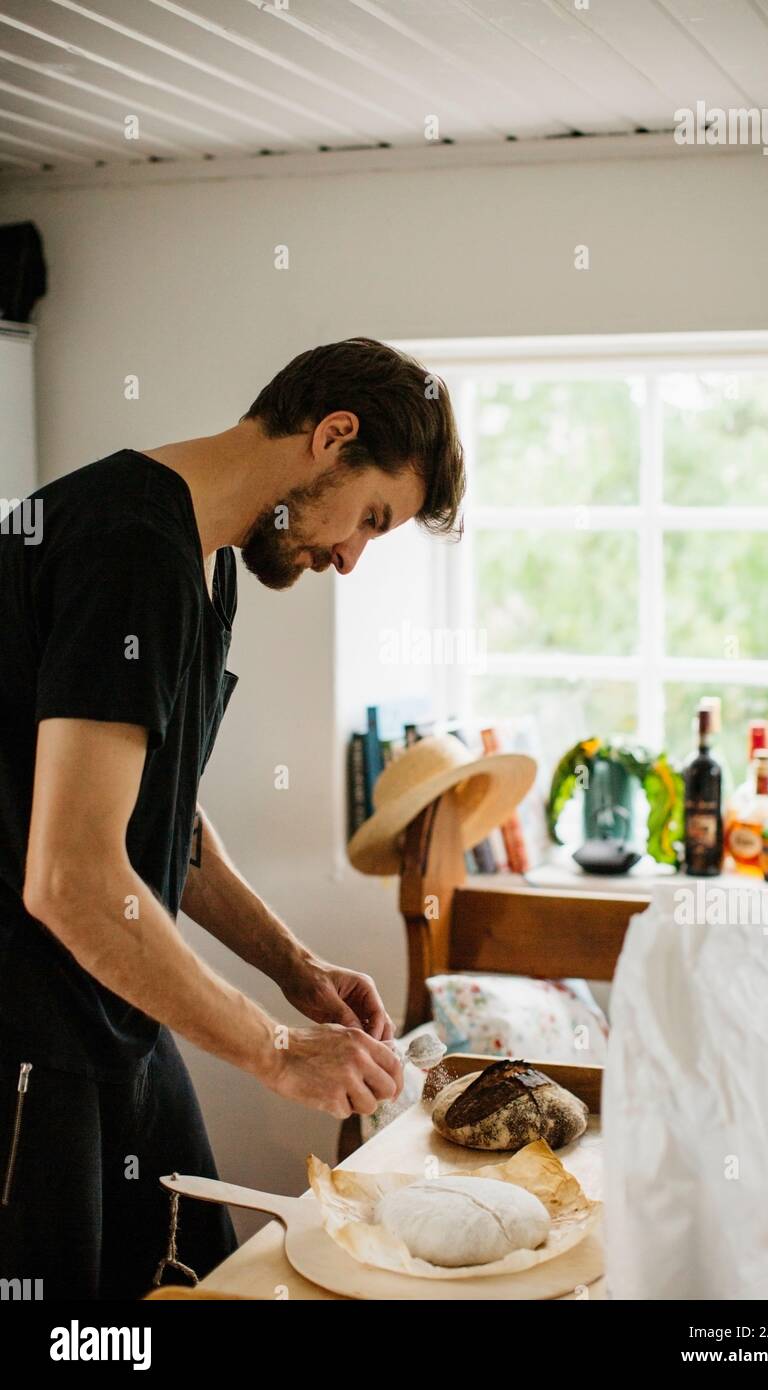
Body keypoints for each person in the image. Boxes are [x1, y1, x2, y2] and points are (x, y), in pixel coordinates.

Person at [0, 336, 466, 1299]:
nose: (349, 558)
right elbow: (71, 877)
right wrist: (279, 1052)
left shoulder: (204, 559)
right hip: (24, 1037)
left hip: (108, 1007)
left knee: (210, 1277)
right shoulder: (126, 546)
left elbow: (168, 826)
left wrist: (296, 973)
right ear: (331, 436)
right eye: (369, 518)